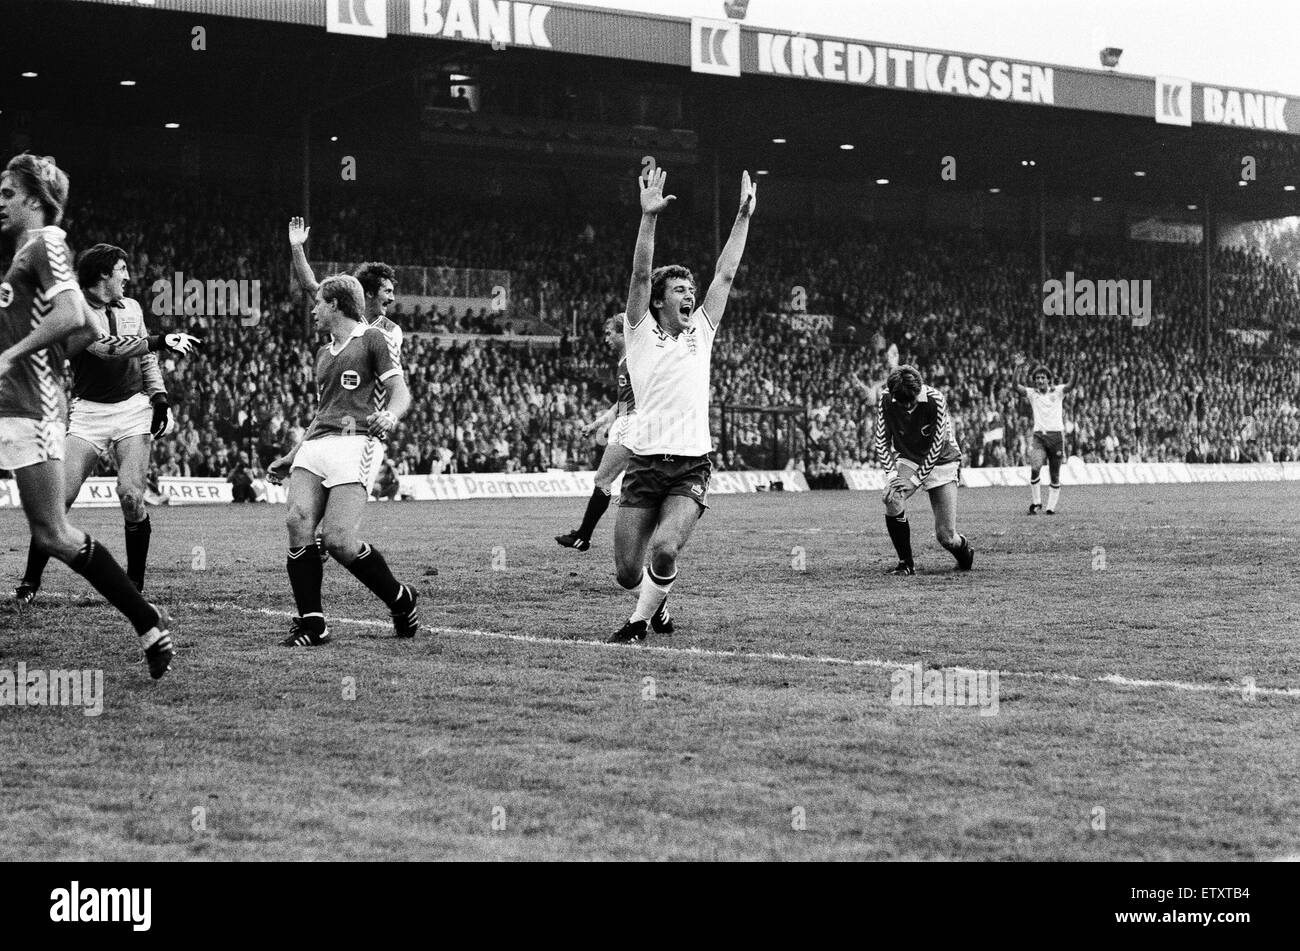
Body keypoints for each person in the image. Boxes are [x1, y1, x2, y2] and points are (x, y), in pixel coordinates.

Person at [0, 153, 173, 677]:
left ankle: (147, 620)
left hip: (32, 406)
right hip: (18, 401)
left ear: (34, 199)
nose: (1, 201)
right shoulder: (25, 251)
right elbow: (84, 330)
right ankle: (146, 619)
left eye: (8, 193)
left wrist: (13, 354)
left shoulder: (46, 242)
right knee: (53, 528)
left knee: (54, 531)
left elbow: (76, 317)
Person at [606, 166, 756, 644]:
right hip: (645, 464)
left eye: (692, 289)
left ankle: (636, 624)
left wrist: (742, 216)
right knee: (628, 572)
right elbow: (639, 273)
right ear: (659, 301)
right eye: (680, 290)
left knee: (666, 548)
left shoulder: (702, 333)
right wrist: (648, 217)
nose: (690, 294)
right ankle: (655, 600)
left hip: (691, 465)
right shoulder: (640, 332)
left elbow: (726, 272)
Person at [15, 243, 199, 602]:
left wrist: (159, 399)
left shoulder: (132, 307)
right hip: (88, 413)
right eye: (121, 270)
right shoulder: (75, 310)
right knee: (58, 501)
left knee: (131, 495)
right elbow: (104, 346)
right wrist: (159, 340)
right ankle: (29, 581)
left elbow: (146, 361)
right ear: (103, 275)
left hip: (133, 408)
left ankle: (134, 584)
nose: (128, 277)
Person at [266, 274, 419, 646]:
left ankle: (402, 600)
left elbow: (401, 392)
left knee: (338, 540)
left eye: (318, 303)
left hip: (358, 442)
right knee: (297, 520)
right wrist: (292, 453)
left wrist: (392, 416)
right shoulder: (322, 354)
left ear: (334, 305)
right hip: (317, 444)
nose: (313, 309)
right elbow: (322, 412)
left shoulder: (373, 340)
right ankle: (313, 625)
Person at [875, 364, 974, 575]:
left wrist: (914, 481)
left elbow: (937, 447)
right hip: (910, 457)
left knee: (946, 537)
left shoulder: (935, 400)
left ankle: (964, 550)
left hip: (942, 461)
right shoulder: (885, 399)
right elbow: (881, 440)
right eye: (904, 403)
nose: (909, 407)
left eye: (912, 401)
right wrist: (893, 476)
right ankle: (906, 564)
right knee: (892, 497)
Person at [556, 313, 634, 552]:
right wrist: (596, 425)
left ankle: (583, 537)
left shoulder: (634, 361)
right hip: (631, 422)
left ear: (623, 333)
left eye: (610, 333)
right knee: (633, 484)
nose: (606, 339)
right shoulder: (625, 362)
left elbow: (635, 402)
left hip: (632, 425)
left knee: (603, 479)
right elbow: (620, 403)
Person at [1013, 361, 1075, 514]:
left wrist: (1076, 371)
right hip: (1039, 436)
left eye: (1042, 377)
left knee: (1055, 474)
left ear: (1048, 379)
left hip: (1056, 437)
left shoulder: (1058, 391)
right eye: (1037, 378)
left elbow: (1071, 386)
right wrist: (1017, 367)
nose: (1040, 380)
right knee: (1035, 467)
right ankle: (1036, 502)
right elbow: (1015, 386)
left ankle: (1050, 508)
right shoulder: (1033, 393)